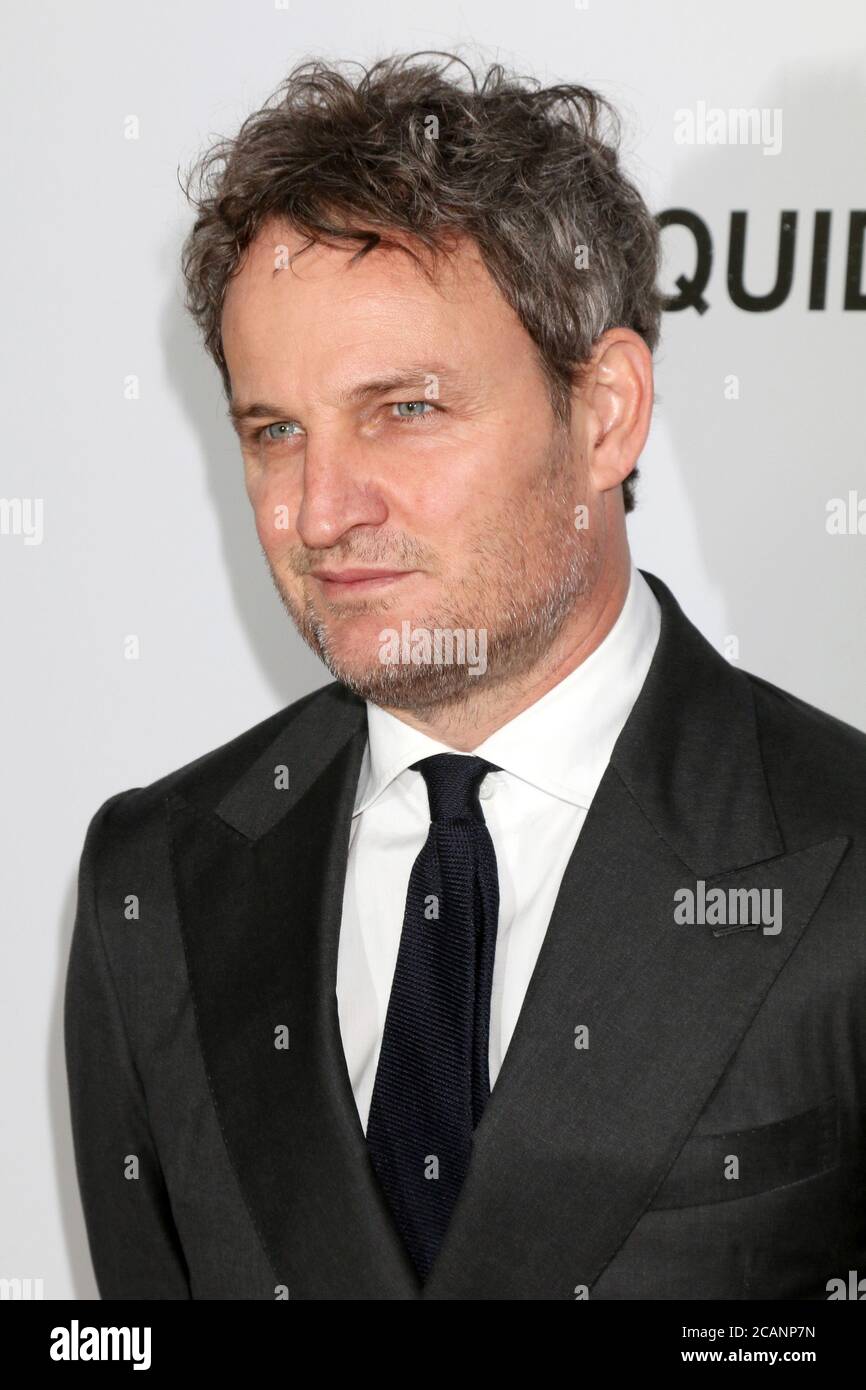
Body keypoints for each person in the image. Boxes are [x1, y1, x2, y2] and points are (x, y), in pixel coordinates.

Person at [64, 53, 866, 1300]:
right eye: (276, 431)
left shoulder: (841, 851)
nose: (321, 511)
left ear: (602, 413)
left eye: (405, 409)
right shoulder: (157, 878)